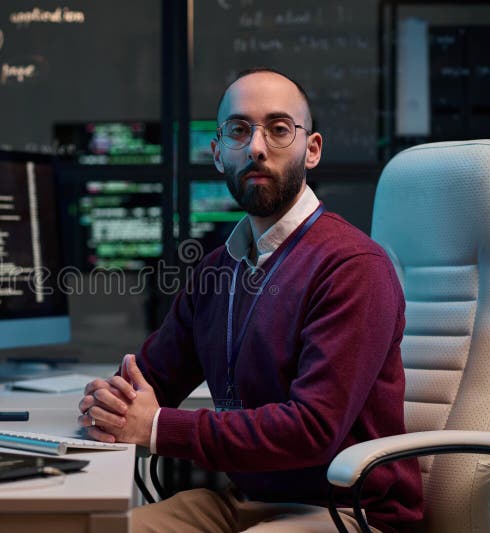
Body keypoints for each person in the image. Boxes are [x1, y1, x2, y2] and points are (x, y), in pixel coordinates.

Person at [77, 68, 423, 532]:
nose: (257, 147)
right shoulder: (218, 269)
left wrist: (156, 427)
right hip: (246, 501)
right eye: (239, 131)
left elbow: (312, 431)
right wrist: (109, 401)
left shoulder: (353, 266)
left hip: (351, 514)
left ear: (312, 149)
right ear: (218, 153)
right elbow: (150, 381)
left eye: (279, 130)